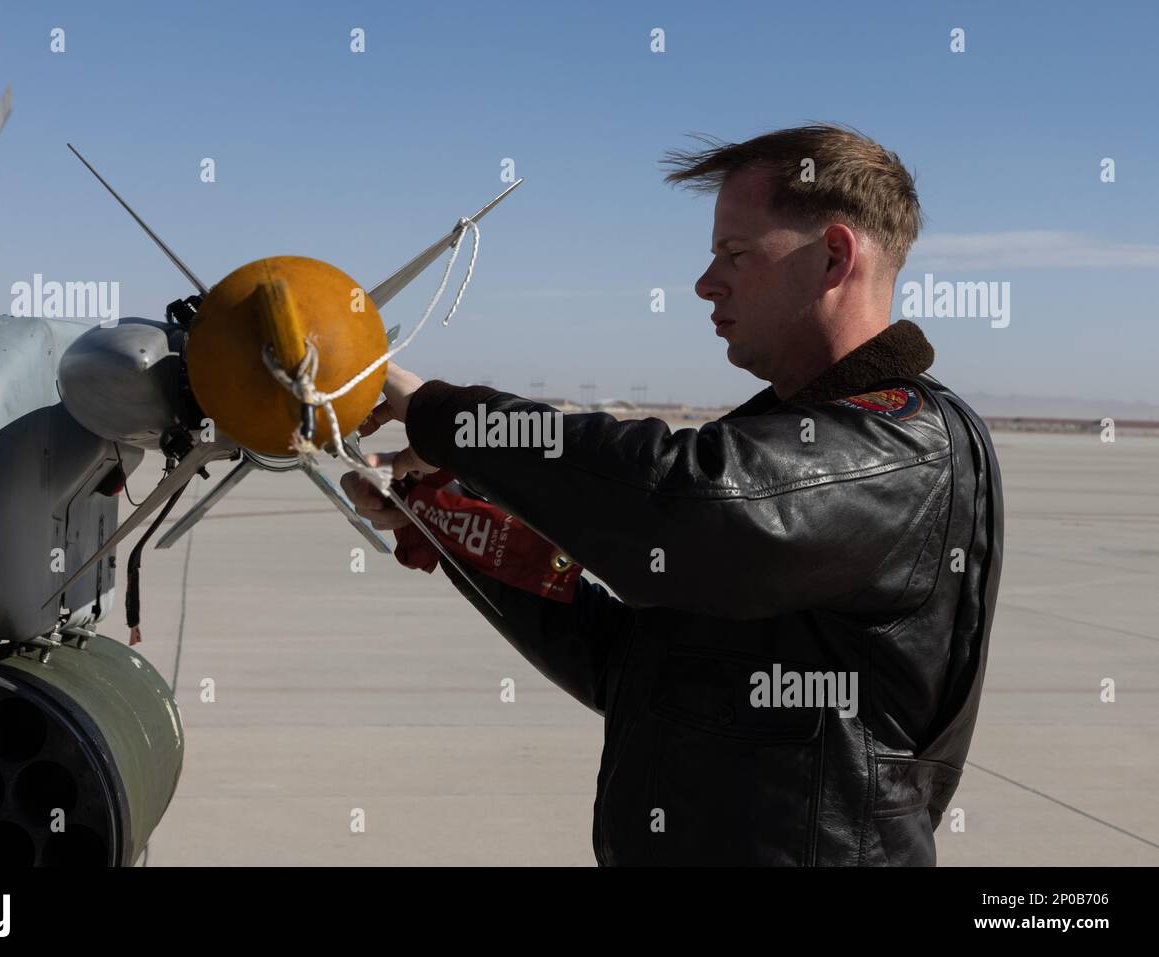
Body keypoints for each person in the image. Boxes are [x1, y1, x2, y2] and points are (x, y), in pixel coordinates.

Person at [341, 124, 1003, 866]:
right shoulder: (781, 438)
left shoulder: (901, 450)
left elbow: (681, 503)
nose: (704, 281)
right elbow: (636, 665)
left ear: (835, 257)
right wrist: (447, 514)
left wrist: (436, 409)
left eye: (735, 253)